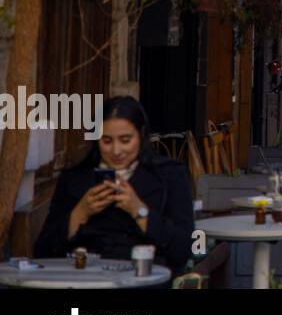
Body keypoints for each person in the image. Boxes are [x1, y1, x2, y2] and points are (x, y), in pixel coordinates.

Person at [36, 95, 194, 277]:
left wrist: (139, 210)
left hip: (144, 280)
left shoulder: (169, 176)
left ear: (141, 135)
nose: (116, 151)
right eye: (107, 141)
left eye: (125, 140)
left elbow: (182, 250)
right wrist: (80, 213)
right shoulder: (75, 178)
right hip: (84, 280)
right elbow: (42, 252)